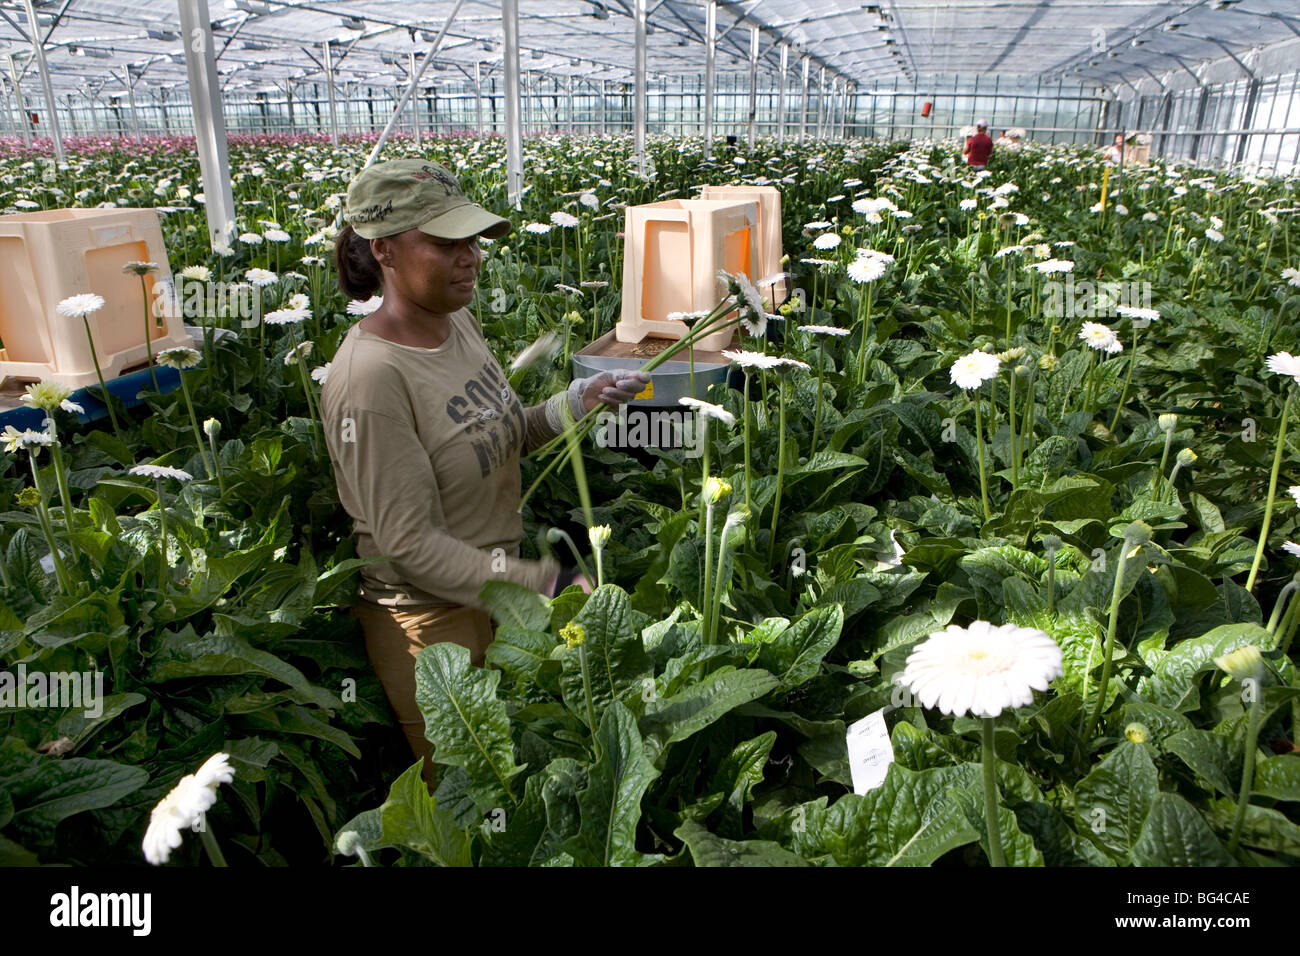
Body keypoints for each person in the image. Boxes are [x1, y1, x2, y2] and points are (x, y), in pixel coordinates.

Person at [322, 159, 649, 779]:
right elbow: (409, 546)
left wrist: (579, 400)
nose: (470, 256)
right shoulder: (370, 380)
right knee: (480, 796)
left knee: (532, 776)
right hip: (429, 625)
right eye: (446, 243)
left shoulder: (454, 322)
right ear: (384, 249)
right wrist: (544, 585)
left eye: (472, 239)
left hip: (495, 591)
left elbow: (499, 433)